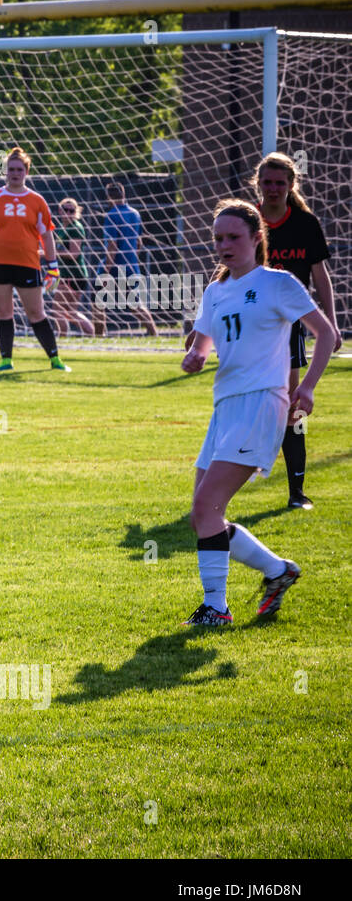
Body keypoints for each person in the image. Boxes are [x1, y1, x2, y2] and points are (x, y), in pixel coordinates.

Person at [179, 199, 335, 626]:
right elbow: (202, 347)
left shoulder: (277, 284)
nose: (224, 245)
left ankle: (216, 609)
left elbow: (327, 334)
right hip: (225, 407)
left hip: (263, 403)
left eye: (233, 237)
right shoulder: (216, 290)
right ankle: (277, 570)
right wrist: (194, 357)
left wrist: (306, 387)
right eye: (218, 238)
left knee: (207, 507)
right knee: (202, 514)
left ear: (255, 239)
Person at [251, 152, 343, 510]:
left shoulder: (305, 224)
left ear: (291, 186)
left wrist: (331, 324)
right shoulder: (249, 221)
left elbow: (320, 277)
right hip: (251, 324)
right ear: (258, 184)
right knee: (250, 402)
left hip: (288, 326)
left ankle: (296, 491)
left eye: (280, 183)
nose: (273, 189)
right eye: (267, 182)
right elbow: (226, 268)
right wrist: (201, 328)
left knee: (294, 407)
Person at [0, 147, 70, 372]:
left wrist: (53, 267)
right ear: (5, 171)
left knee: (36, 313)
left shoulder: (37, 200)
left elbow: (47, 235)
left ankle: (55, 359)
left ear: (26, 171)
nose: (14, 173)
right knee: (4, 313)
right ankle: (5, 361)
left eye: (19, 169)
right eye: (10, 169)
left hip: (28, 263)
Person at [101, 183, 159, 337]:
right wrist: (132, 257)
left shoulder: (111, 215)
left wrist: (106, 270)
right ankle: (153, 331)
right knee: (134, 302)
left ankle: (98, 335)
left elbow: (112, 246)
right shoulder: (135, 213)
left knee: (97, 299)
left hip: (115, 264)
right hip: (131, 263)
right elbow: (139, 242)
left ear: (109, 197)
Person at [50, 197, 95, 337]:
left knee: (58, 310)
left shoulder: (75, 227)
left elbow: (74, 254)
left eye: (72, 210)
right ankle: (92, 334)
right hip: (69, 274)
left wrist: (49, 253)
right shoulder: (64, 228)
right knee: (69, 312)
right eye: (65, 210)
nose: (68, 213)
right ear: (59, 210)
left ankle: (63, 338)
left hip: (73, 275)